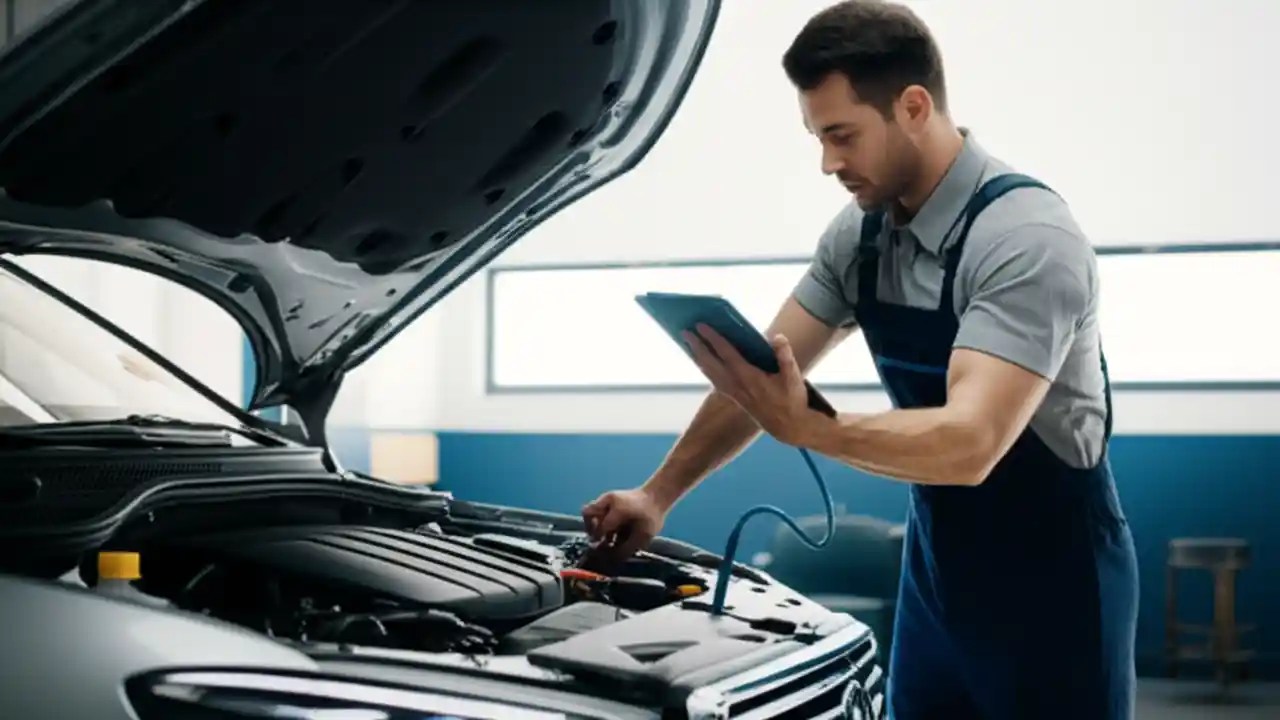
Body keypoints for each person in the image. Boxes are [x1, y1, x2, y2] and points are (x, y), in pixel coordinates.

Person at [581, 1, 1139, 717]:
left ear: (912, 107)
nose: (827, 163)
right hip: (940, 571)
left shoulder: (1027, 239)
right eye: (816, 137)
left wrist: (813, 429)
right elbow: (760, 380)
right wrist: (658, 494)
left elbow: (971, 445)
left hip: (1055, 580)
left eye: (842, 136)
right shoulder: (861, 237)